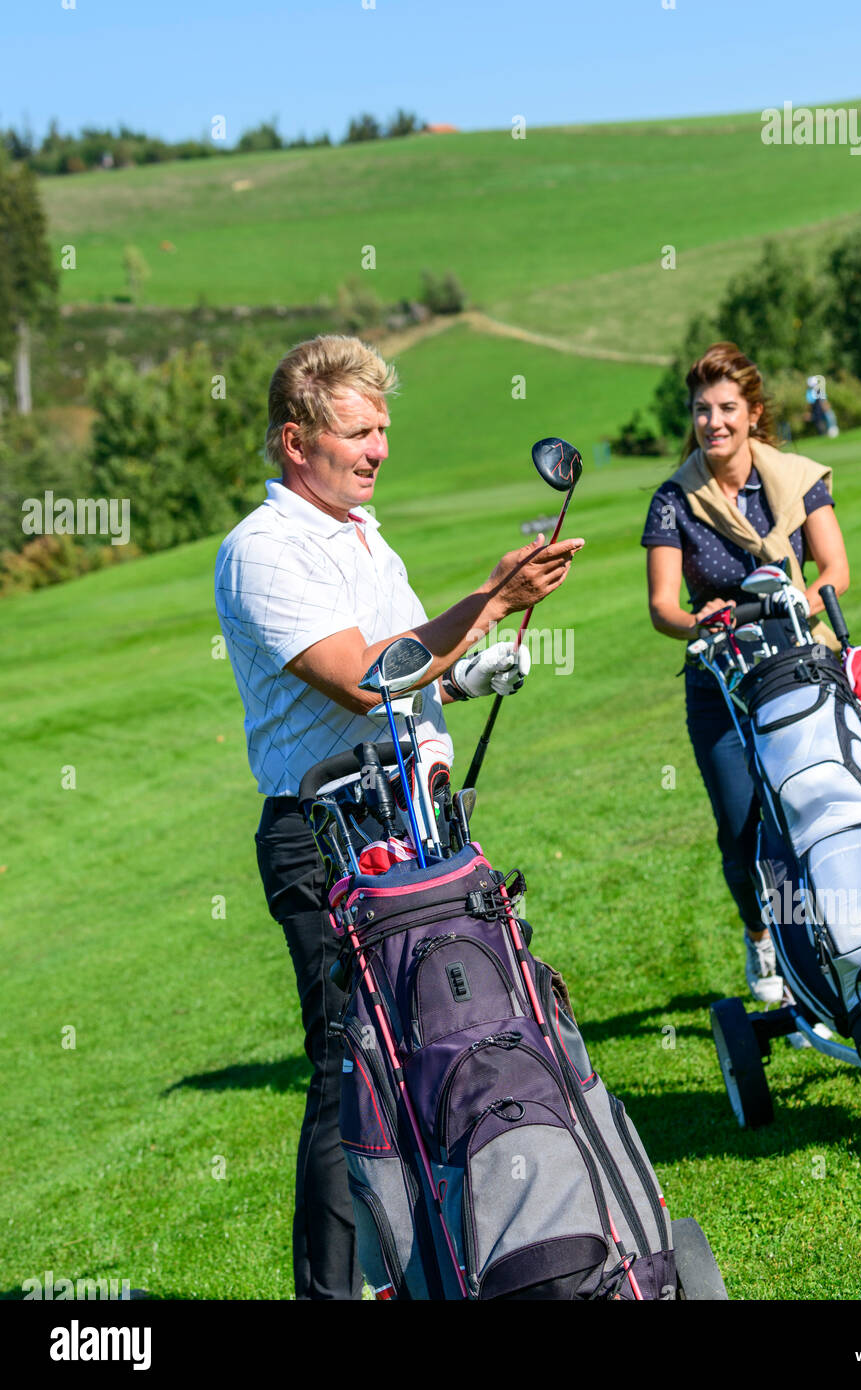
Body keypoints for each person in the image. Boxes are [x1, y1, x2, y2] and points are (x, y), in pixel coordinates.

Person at [214, 335, 584, 1299]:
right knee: (357, 1073)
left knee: (452, 1036)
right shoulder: (263, 549)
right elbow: (356, 674)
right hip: (327, 835)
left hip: (418, 820)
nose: (379, 449)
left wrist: (471, 665)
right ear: (297, 440)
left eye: (384, 430)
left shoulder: (367, 535)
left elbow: (409, 675)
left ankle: (455, 1258)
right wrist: (487, 599)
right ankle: (334, 1293)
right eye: (358, 431)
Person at [642, 342, 849, 1002]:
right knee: (742, 825)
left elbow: (836, 571)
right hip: (721, 683)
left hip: (801, 663)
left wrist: (798, 604)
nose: (714, 422)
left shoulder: (797, 478)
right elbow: (661, 607)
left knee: (825, 802)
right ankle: (763, 940)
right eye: (702, 410)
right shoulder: (673, 500)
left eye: (727, 408)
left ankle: (846, 928)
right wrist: (700, 622)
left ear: (753, 412)